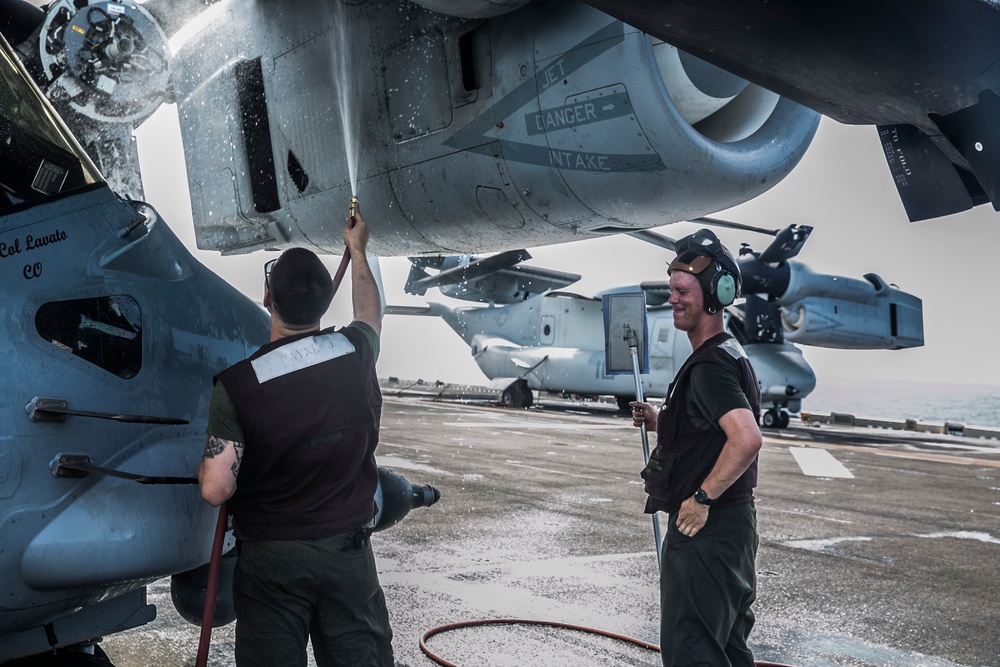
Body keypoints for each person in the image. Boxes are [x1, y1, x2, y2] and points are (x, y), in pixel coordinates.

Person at [198, 200, 393, 667]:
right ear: (325, 302)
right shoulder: (355, 350)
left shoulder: (239, 385)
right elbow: (370, 312)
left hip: (273, 565)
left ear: (268, 297)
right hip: (349, 555)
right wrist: (358, 251)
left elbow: (215, 487)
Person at [630, 228, 763, 667]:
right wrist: (661, 418)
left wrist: (701, 499)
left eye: (682, 290)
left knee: (692, 653)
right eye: (671, 289)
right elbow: (713, 427)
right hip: (735, 532)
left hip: (706, 534)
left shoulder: (709, 367)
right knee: (727, 650)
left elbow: (746, 437)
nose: (673, 298)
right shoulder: (730, 353)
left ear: (715, 294)